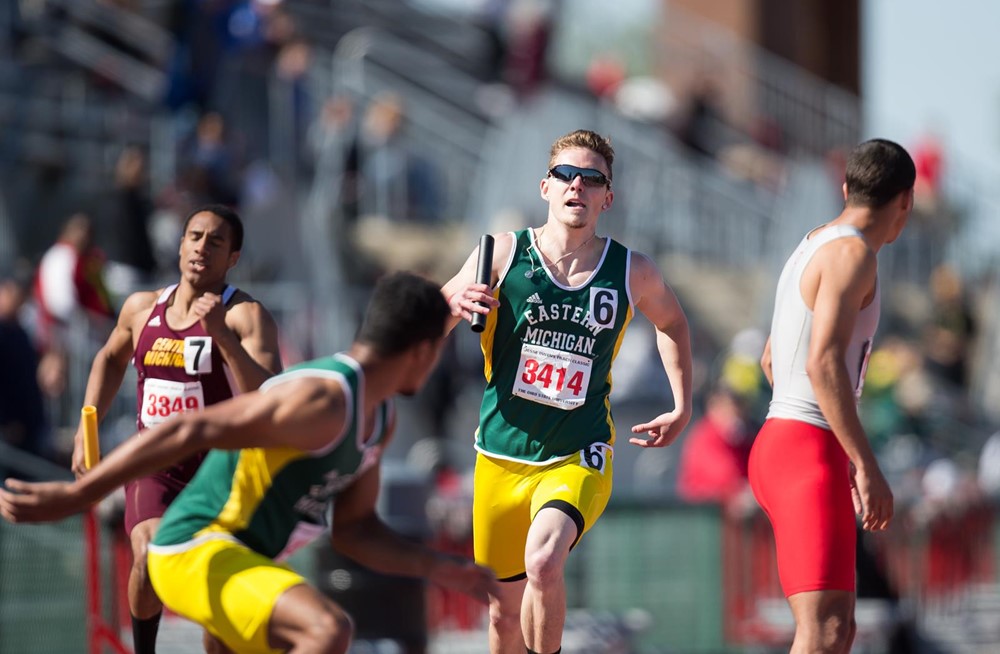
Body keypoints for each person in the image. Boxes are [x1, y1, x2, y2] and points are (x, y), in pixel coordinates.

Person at [0, 271, 498, 654]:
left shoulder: (379, 416)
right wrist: (77, 494)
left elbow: (355, 530)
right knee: (326, 629)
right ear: (425, 353)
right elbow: (190, 427)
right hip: (194, 545)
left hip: (247, 561)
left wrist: (442, 568)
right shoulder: (323, 398)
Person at [443, 129, 693, 654]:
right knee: (502, 619)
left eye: (592, 178)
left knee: (544, 560)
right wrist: (455, 302)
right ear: (545, 187)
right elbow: (434, 315)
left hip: (578, 451)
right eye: (566, 175)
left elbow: (672, 324)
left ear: (608, 197)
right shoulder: (503, 253)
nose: (577, 185)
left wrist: (682, 404)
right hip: (500, 454)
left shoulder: (631, 270)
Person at [69, 204, 283, 654]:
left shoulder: (247, 316)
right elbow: (108, 359)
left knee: (217, 611)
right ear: (181, 243)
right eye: (195, 236)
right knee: (148, 556)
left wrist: (222, 338)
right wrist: (86, 427)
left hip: (220, 471)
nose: (202, 247)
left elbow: (270, 399)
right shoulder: (142, 308)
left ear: (233, 258)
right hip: (155, 464)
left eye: (216, 241)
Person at [748, 138, 915, 653]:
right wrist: (864, 462)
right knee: (823, 632)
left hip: (791, 442)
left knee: (838, 629)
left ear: (846, 188)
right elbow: (821, 363)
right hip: (805, 448)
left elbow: (774, 358)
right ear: (905, 202)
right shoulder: (852, 254)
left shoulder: (815, 242)